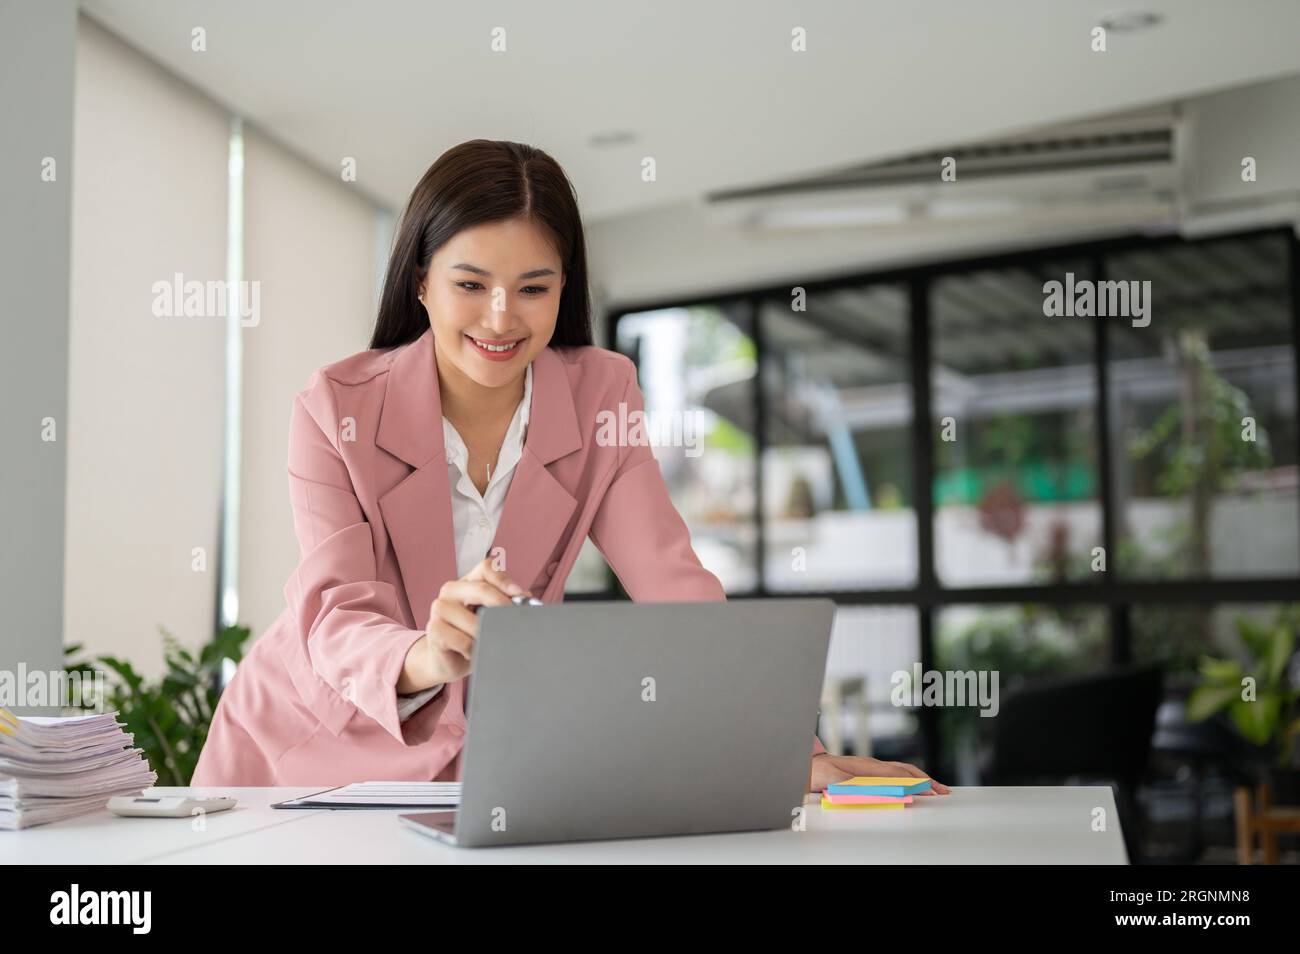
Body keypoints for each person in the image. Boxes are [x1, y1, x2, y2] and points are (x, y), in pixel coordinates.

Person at [192, 139, 949, 797]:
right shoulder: (334, 407)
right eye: (470, 284)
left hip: (472, 760)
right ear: (420, 279)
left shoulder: (599, 396)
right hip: (298, 750)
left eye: (533, 288)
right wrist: (426, 651)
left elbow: (673, 582)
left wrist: (788, 747)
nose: (500, 317)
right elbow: (335, 616)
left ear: (565, 288)